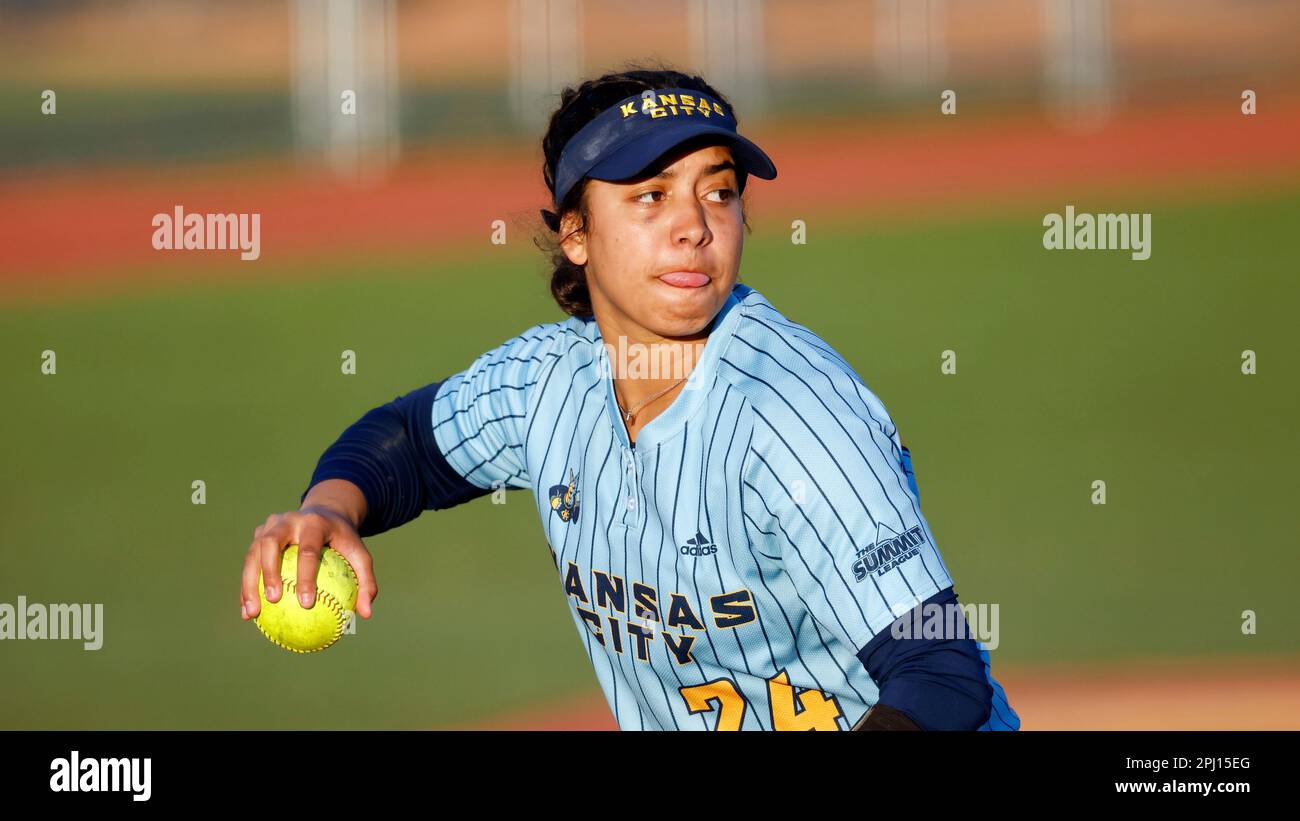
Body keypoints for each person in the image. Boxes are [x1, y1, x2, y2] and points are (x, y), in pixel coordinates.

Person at [239, 65, 1020, 731]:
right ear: (575, 233)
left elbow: (938, 664)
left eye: (718, 193)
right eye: (650, 196)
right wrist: (331, 508)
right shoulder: (551, 382)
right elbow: (407, 443)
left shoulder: (793, 411)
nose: (694, 226)